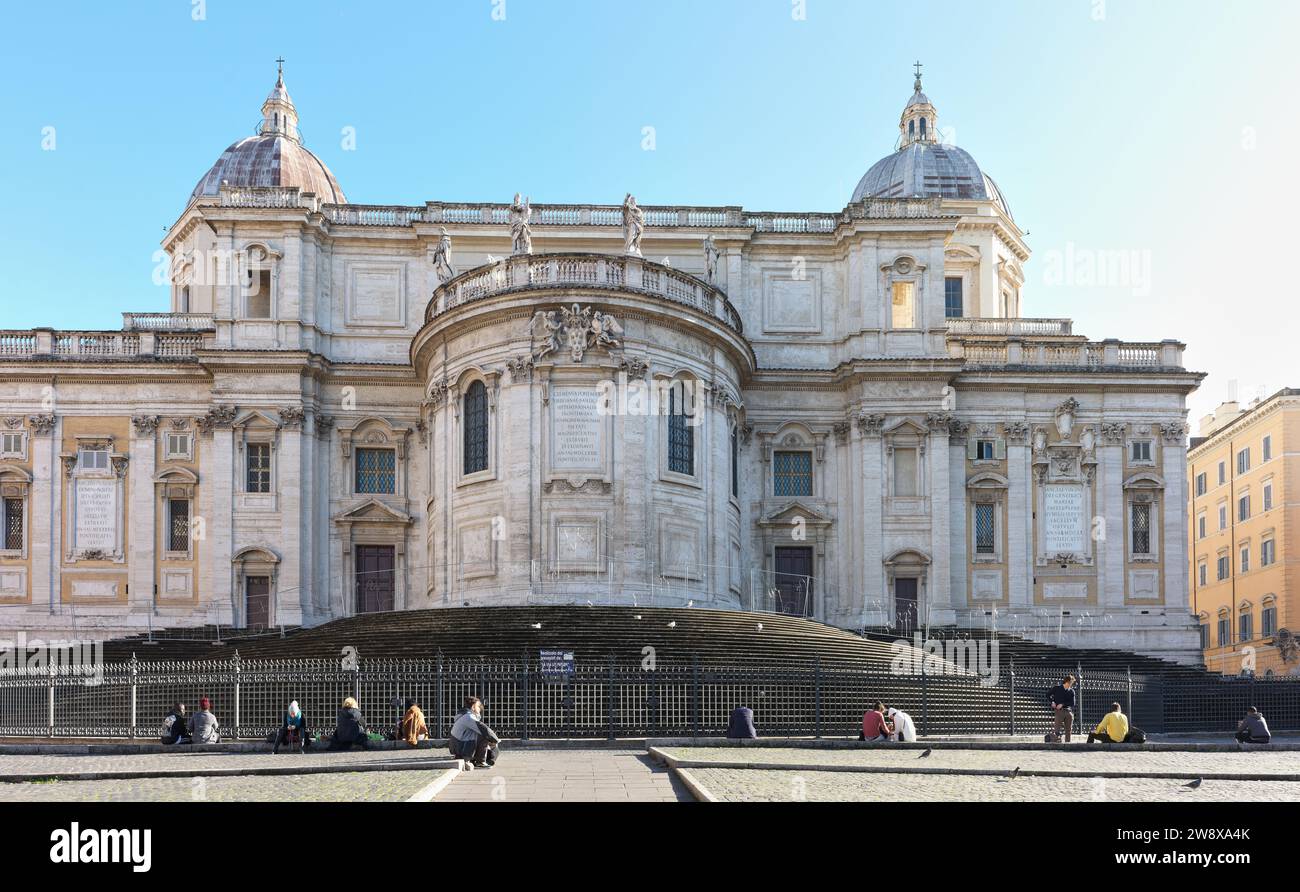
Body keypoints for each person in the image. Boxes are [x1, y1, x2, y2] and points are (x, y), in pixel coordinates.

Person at [449, 696, 500, 769]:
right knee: (486, 738)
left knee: (494, 749)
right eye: (478, 706)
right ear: (473, 707)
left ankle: (483, 760)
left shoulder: (464, 716)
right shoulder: (469, 717)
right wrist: (496, 740)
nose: (480, 709)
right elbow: (484, 729)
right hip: (462, 748)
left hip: (459, 747)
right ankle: (480, 762)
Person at [1048, 675, 1076, 743]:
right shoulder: (1057, 688)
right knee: (1057, 730)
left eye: (1072, 683)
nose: (1071, 684)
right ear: (1066, 682)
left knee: (1068, 730)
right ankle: (1056, 744)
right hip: (1059, 711)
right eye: (1070, 682)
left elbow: (1073, 703)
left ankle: (1067, 744)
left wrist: (1062, 704)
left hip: (1068, 712)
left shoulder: (1071, 691)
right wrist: (1052, 702)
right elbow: (1048, 695)